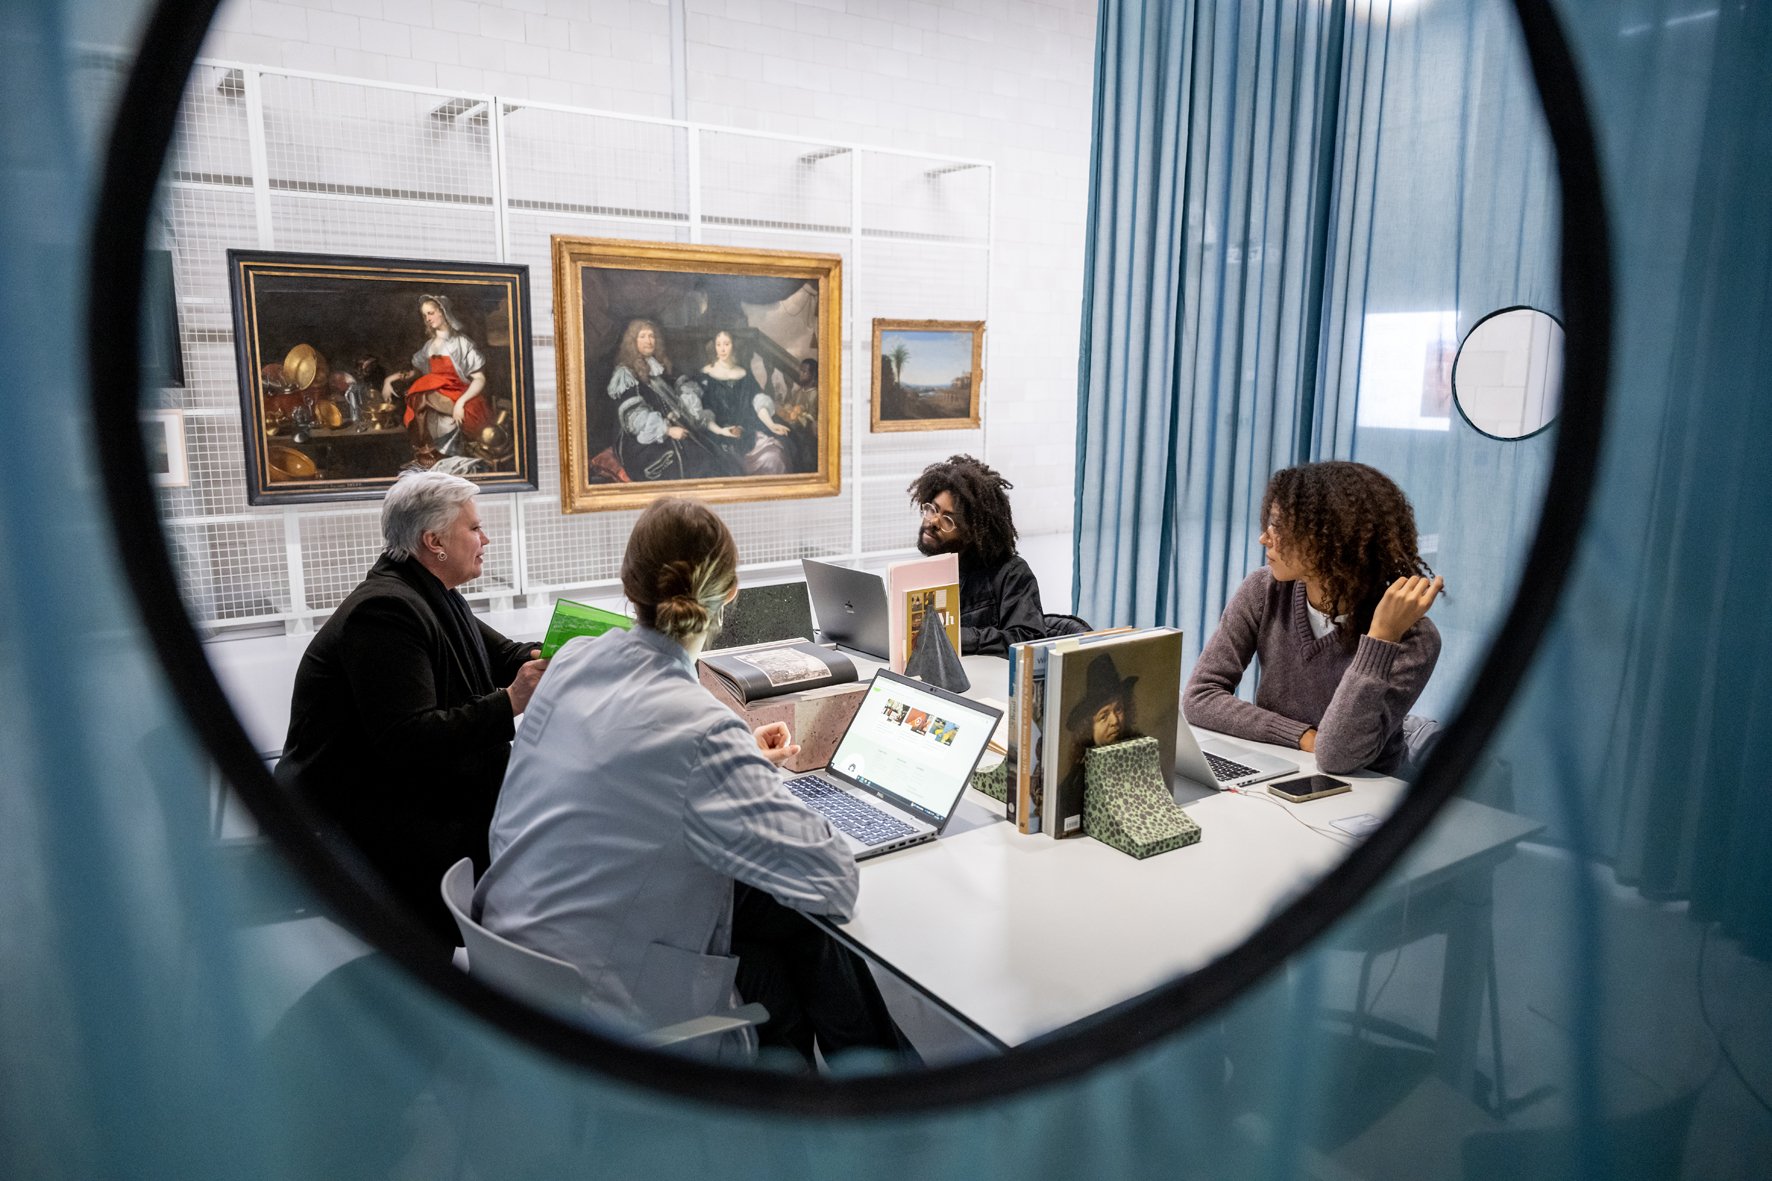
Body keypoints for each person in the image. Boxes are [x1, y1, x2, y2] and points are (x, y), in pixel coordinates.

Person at [474, 498, 909, 1065]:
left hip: (516, 966)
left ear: (628, 584)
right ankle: (890, 1101)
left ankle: (848, 1108)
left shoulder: (574, 664)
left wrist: (734, 770)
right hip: (603, 1008)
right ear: (730, 593)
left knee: (780, 951)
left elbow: (626, 769)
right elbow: (833, 883)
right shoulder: (701, 731)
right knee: (807, 931)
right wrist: (744, 778)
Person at [274, 471, 548, 946]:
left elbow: (504, 656)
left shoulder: (430, 592)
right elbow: (409, 736)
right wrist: (511, 701)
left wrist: (568, 650)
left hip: (406, 805)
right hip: (371, 829)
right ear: (434, 540)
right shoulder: (385, 611)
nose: (487, 539)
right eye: (475, 529)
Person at [1183, 460, 1443, 776]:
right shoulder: (1264, 590)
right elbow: (1200, 697)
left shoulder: (1414, 637)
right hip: (1284, 767)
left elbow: (1337, 757)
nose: (1264, 539)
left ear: (1329, 537)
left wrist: (1381, 638)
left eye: (1278, 526)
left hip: (1367, 791)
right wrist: (1301, 736)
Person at [907, 454, 1047, 655]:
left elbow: (1027, 640)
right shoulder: (931, 570)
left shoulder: (1011, 573)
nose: (933, 521)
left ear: (971, 532)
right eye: (932, 509)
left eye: (948, 519)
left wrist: (956, 636)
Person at [606, 318, 727, 482]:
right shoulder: (625, 373)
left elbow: (677, 382)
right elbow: (635, 418)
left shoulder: (656, 365)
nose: (649, 341)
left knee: (711, 454)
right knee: (694, 461)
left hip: (669, 427)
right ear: (632, 341)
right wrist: (667, 430)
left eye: (652, 336)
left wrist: (685, 395)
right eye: (643, 336)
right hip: (641, 441)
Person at [384, 294, 494, 462]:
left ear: (443, 312)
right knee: (420, 395)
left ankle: (428, 448)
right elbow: (416, 372)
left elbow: (479, 379)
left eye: (431, 313)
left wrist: (461, 403)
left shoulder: (462, 343)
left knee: (421, 395)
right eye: (424, 315)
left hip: (460, 395)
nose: (427, 318)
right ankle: (425, 447)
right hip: (436, 395)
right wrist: (389, 380)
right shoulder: (429, 346)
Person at [700, 329, 790, 475]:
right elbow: (704, 413)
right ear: (714, 347)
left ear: (733, 346)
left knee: (775, 457)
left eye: (726, 344)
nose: (722, 349)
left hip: (746, 431)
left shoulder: (744, 373)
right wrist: (722, 431)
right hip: (718, 436)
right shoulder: (705, 374)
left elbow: (757, 400)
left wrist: (770, 424)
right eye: (719, 344)